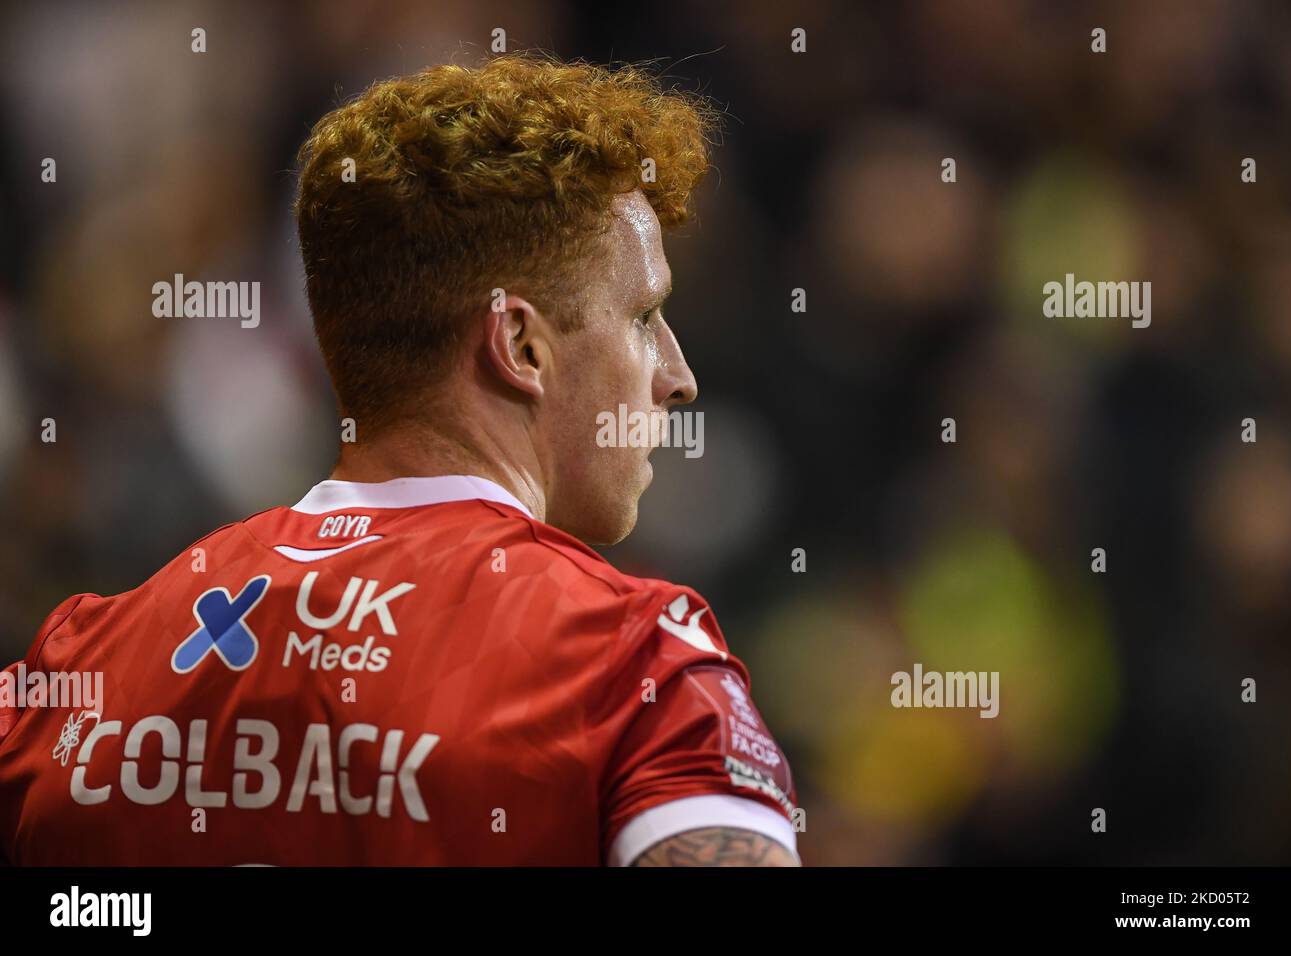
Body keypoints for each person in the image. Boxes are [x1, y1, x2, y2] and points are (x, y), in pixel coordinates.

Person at [0, 54, 799, 866]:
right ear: (521, 345)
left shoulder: (78, 665)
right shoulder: (636, 664)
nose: (678, 377)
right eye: (643, 315)